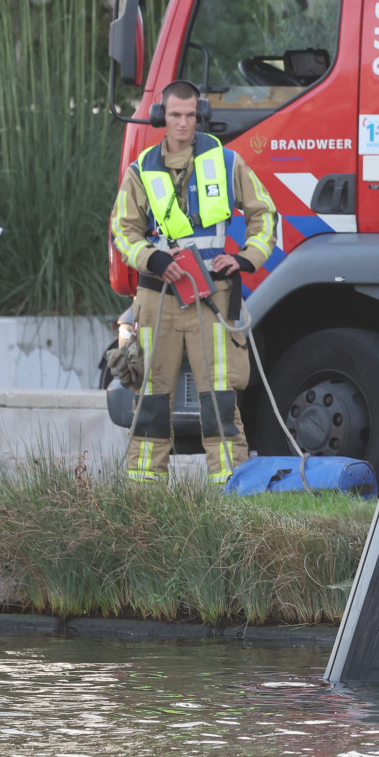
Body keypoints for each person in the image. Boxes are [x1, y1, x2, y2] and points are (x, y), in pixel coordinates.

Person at [108, 80, 278, 483]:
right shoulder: (141, 169)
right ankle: (143, 497)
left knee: (220, 398)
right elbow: (121, 231)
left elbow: (265, 215)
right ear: (161, 117)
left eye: (189, 115)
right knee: (150, 399)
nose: (183, 124)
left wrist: (243, 258)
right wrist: (153, 258)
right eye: (174, 115)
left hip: (212, 295)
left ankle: (230, 491)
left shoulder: (226, 161)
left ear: (198, 115)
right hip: (158, 294)